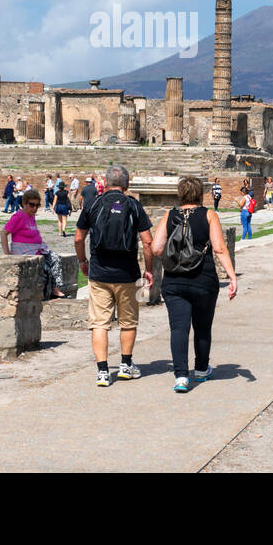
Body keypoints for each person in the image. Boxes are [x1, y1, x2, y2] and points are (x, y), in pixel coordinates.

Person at [151, 176, 237, 393]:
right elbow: (219, 248)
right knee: (202, 327)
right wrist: (232, 276)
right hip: (203, 280)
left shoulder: (169, 215)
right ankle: (200, 369)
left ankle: (181, 376)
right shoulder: (209, 215)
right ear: (201, 194)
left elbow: (156, 249)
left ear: (180, 195)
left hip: (174, 281)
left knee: (178, 329)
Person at [75, 165, 154, 386]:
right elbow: (147, 242)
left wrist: (83, 261)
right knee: (129, 322)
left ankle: (102, 371)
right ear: (127, 184)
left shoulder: (93, 204)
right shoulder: (133, 205)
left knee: (99, 323)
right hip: (129, 274)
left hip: (99, 272)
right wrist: (148, 269)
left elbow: (78, 238)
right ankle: (125, 365)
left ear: (105, 183)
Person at [4, 188, 66, 299]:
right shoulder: (18, 216)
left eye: (37, 205)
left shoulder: (31, 216)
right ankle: (45, 297)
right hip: (25, 252)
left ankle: (55, 289)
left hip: (37, 250)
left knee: (56, 258)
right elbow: (3, 233)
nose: (35, 208)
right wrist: (7, 256)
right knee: (46, 269)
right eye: (32, 205)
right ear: (24, 203)